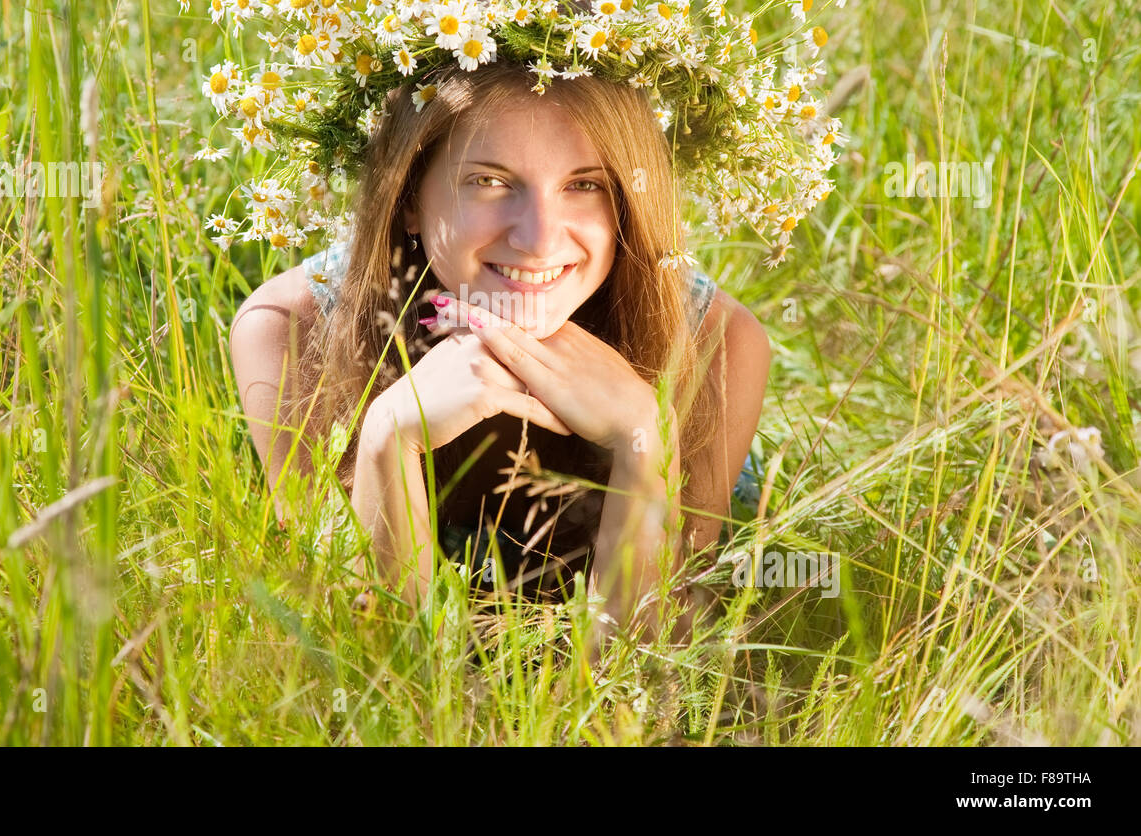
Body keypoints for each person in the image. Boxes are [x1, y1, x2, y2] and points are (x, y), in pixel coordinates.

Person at [229, 55, 771, 653]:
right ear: (408, 195)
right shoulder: (293, 329)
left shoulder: (712, 343)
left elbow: (650, 670)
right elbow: (363, 663)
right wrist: (387, 435)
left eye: (584, 184)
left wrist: (646, 438)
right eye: (489, 181)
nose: (539, 239)